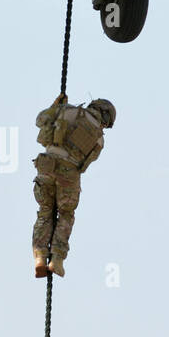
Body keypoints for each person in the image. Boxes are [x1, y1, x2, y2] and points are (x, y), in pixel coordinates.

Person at [32, 94, 116, 277]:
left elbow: (40, 120)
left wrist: (55, 106)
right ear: (105, 118)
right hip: (68, 174)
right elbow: (83, 166)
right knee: (66, 215)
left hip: (45, 166)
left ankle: (39, 257)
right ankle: (57, 260)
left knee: (45, 211)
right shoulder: (99, 140)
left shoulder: (67, 110)